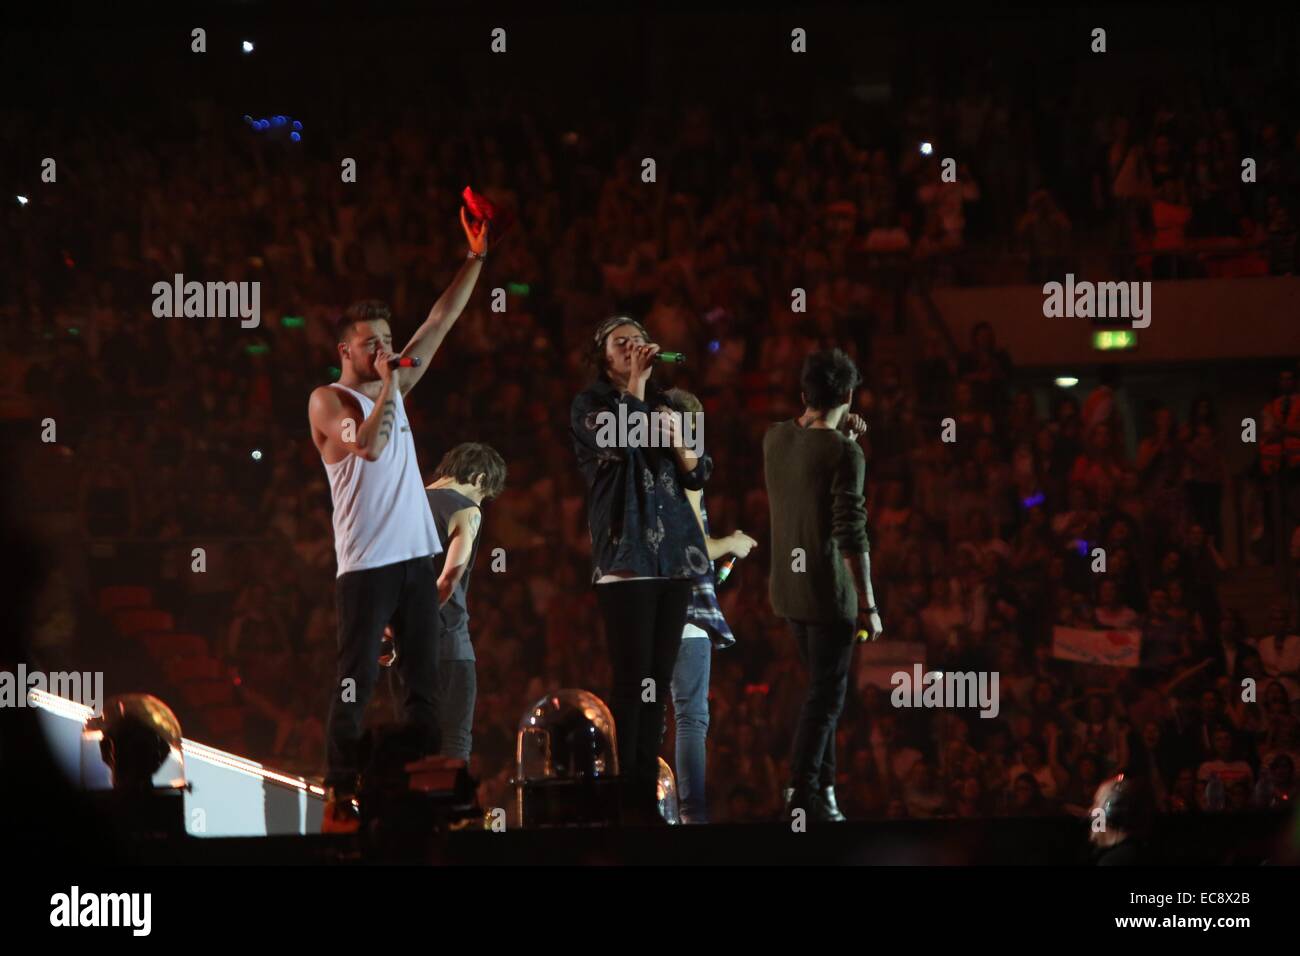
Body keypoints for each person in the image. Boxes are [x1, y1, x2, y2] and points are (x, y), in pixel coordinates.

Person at [307, 208, 487, 831]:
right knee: (354, 678)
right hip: (366, 564)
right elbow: (374, 447)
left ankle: (429, 782)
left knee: (423, 680)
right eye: (371, 342)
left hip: (415, 556)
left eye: (387, 339)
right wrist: (390, 383)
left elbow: (441, 321)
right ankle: (340, 788)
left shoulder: (392, 383)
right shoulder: (329, 400)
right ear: (345, 350)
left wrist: (476, 260)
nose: (385, 349)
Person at [570, 316, 712, 824]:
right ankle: (622, 796)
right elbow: (619, 444)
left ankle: (643, 797)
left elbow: (699, 472)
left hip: (671, 559)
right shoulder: (591, 405)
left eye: (636, 339)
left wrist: (678, 441)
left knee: (658, 683)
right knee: (632, 682)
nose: (631, 348)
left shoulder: (669, 404)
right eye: (619, 343)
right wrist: (635, 385)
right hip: (625, 555)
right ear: (602, 355)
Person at [764, 348, 882, 822]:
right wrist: (869, 605)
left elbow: (806, 467)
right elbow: (851, 532)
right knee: (826, 697)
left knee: (821, 691)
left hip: (788, 594)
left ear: (803, 393)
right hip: (828, 593)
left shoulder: (773, 438)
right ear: (849, 395)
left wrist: (842, 439)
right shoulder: (844, 452)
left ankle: (824, 792)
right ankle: (800, 789)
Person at [661, 387, 757, 824]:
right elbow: (696, 545)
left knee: (651, 716)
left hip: (652, 609)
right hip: (685, 616)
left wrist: (716, 575)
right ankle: (691, 818)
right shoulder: (686, 476)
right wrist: (731, 544)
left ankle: (652, 810)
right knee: (691, 717)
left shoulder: (643, 477)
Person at [380, 443, 507, 765]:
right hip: (447, 644)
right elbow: (448, 580)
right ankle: (446, 815)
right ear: (479, 479)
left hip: (401, 649)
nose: (482, 504)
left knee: (412, 746)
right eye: (485, 496)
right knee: (453, 743)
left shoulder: (398, 502)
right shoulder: (466, 509)